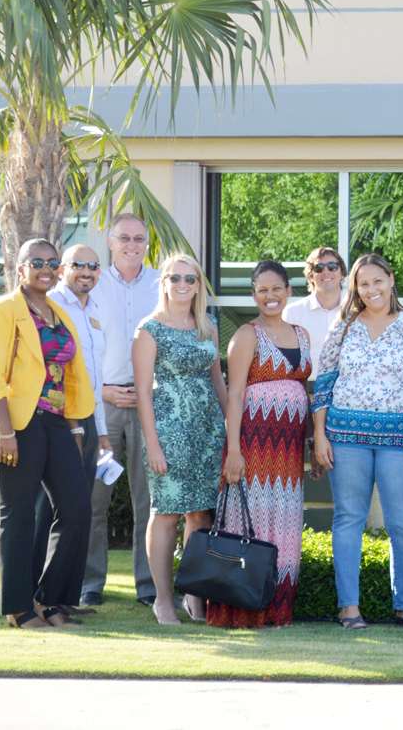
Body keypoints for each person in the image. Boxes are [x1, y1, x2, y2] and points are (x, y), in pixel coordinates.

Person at [312, 254, 403, 630]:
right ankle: (348, 608)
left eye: (377, 281)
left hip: (401, 440)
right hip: (345, 437)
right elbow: (324, 383)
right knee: (349, 519)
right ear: (355, 288)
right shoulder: (343, 325)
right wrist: (319, 435)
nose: (371, 290)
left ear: (391, 280)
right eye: (363, 284)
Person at [0, 239, 97, 628]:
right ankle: (18, 609)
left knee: (77, 507)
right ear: (20, 269)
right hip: (19, 422)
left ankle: (47, 599)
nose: (46, 268)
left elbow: (70, 376)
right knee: (16, 514)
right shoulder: (3, 311)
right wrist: (5, 431)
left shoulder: (59, 314)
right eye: (37, 262)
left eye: (52, 262)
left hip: (57, 422)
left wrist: (75, 425)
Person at [210, 261, 313, 629]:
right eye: (262, 290)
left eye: (276, 288)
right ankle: (242, 609)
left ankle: (276, 610)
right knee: (249, 521)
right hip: (252, 445)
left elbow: (304, 391)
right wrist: (234, 451)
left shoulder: (302, 334)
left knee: (285, 524)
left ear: (288, 291)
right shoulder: (246, 334)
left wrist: (312, 443)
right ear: (253, 295)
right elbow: (235, 394)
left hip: (289, 452)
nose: (270, 296)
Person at [132, 253, 228, 626]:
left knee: (200, 515)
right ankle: (162, 600)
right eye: (175, 277)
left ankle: (194, 596)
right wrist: (153, 444)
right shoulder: (149, 329)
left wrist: (232, 431)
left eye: (190, 278)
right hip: (168, 433)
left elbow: (218, 381)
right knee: (167, 513)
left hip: (208, 432)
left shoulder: (208, 325)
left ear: (199, 284)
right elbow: (143, 392)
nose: (183, 284)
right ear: (164, 283)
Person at [31, 244, 110, 620]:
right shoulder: (51, 307)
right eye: (78, 264)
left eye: (93, 266)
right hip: (59, 418)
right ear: (62, 269)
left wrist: (101, 430)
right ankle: (39, 596)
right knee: (53, 509)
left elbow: (94, 378)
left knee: (79, 508)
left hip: (88, 417)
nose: (86, 271)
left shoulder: (94, 310)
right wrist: (72, 424)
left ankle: (65, 597)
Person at [85, 212, 160, 607]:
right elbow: (79, 348)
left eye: (139, 238)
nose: (132, 244)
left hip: (151, 406)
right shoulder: (92, 284)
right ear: (110, 242)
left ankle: (148, 586)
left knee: (148, 502)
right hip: (103, 408)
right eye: (124, 238)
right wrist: (102, 391)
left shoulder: (162, 284)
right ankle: (89, 584)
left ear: (147, 244)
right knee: (93, 499)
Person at [283, 246, 345, 382]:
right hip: (307, 388)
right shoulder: (292, 313)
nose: (326, 272)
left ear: (342, 273)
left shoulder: (357, 311)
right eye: (319, 268)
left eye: (332, 267)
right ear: (310, 276)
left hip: (348, 389)